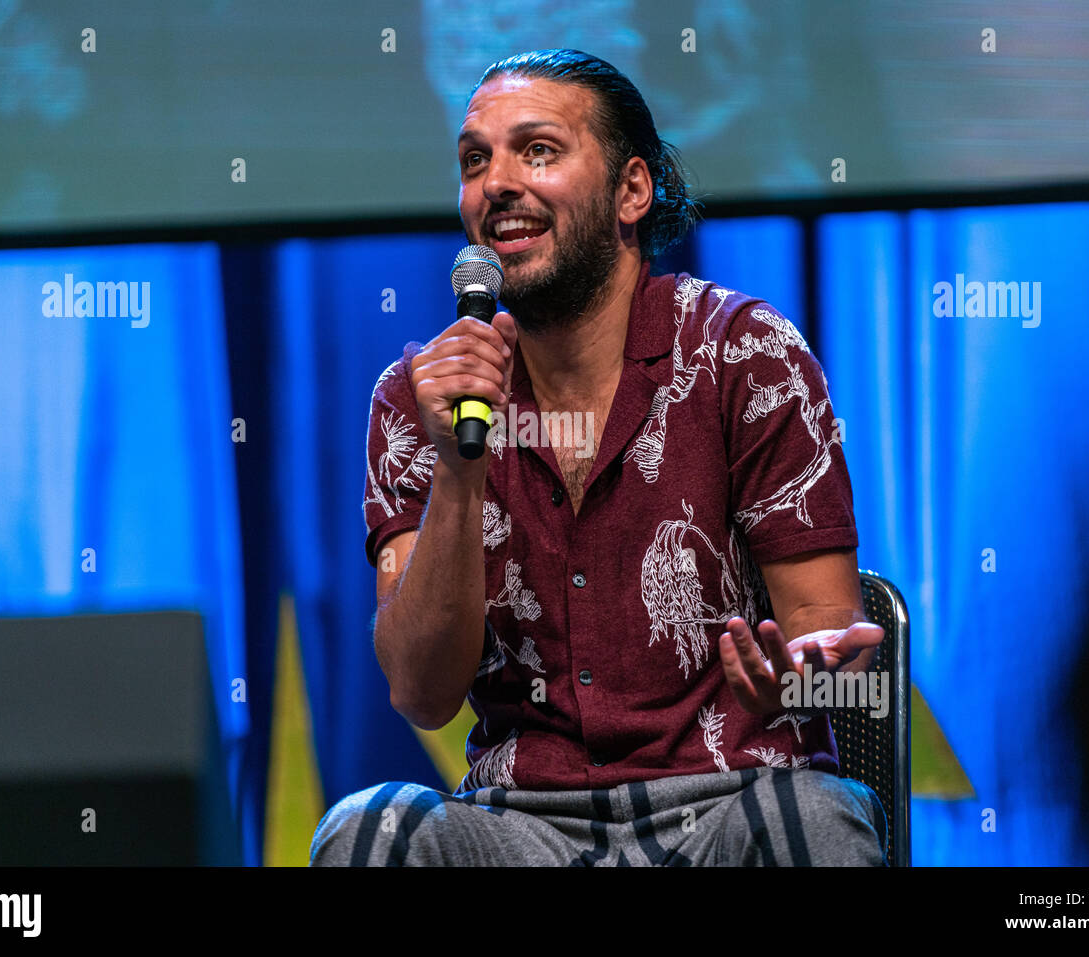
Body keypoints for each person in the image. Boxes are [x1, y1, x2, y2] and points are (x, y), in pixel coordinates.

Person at [312, 49, 888, 866]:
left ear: (631, 190)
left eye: (537, 150)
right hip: (522, 824)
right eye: (476, 160)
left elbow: (840, 662)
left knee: (819, 822)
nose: (497, 184)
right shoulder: (418, 398)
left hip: (728, 806)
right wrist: (459, 468)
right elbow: (421, 692)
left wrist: (800, 679)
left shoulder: (745, 355)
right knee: (366, 831)